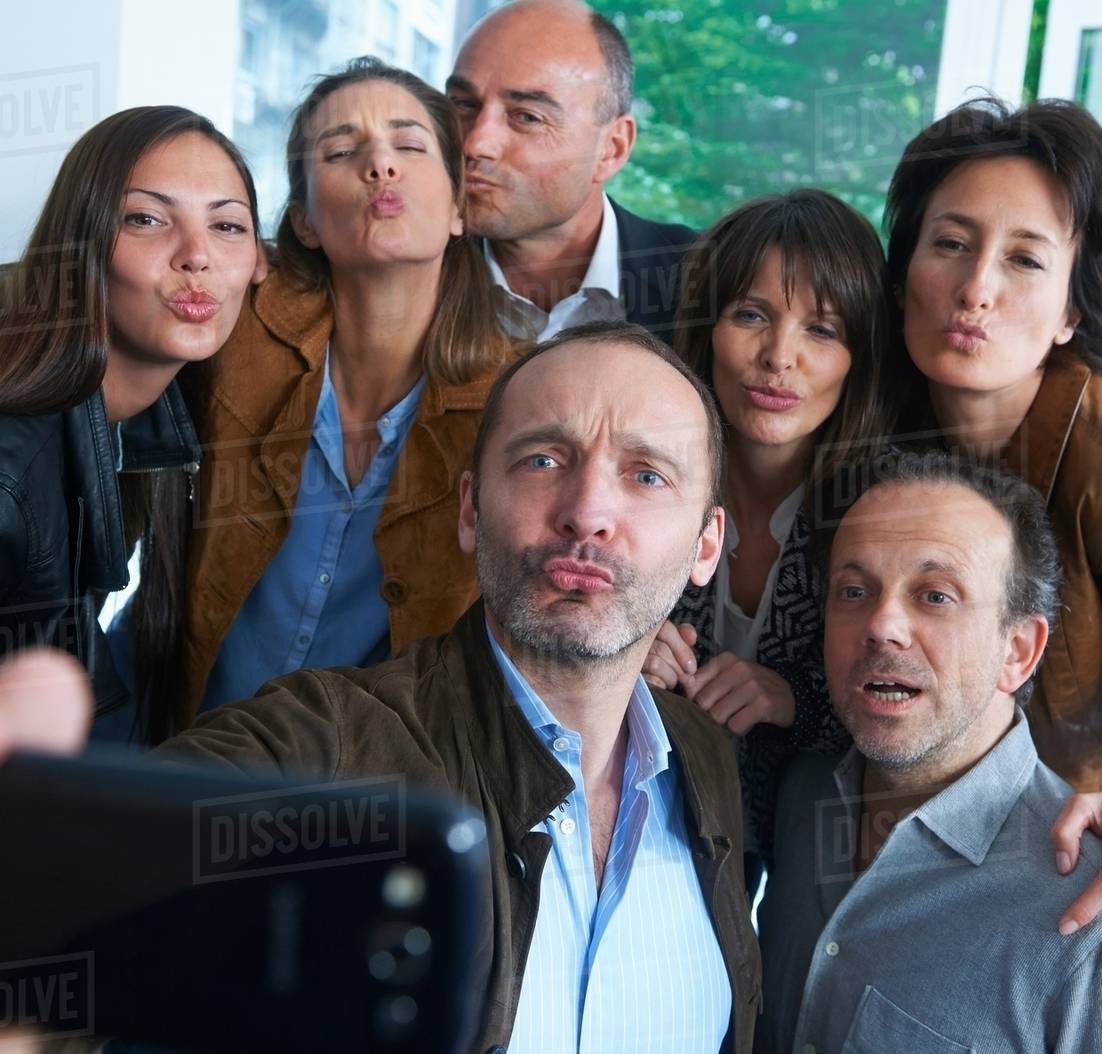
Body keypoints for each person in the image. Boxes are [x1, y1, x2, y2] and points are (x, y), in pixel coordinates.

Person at [0, 322, 760, 1053]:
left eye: (646, 475)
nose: (587, 513)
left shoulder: (705, 762)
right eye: (542, 460)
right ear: (468, 509)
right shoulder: (327, 740)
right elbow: (60, 930)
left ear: (705, 544)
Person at [886, 97, 1102, 979]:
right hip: (923, 844)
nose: (976, 288)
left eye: (1025, 260)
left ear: (1071, 310)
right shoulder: (885, 405)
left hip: (1082, 884)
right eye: (948, 243)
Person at [757, 452, 1102, 1054]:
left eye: (936, 596)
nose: (882, 624)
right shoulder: (801, 790)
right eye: (853, 590)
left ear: (1019, 650)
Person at [176, 59, 511, 726]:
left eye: (409, 145)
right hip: (186, 746)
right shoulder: (229, 332)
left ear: (455, 208)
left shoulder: (516, 397)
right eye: (341, 151)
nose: (380, 165)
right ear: (303, 221)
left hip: (370, 786)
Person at [640, 189, 896, 882]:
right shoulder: (642, 473)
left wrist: (793, 701)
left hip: (809, 847)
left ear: (859, 357)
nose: (779, 357)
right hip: (648, 813)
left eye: (823, 330)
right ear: (707, 327)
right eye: (751, 315)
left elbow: (921, 701)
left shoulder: (888, 506)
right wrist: (623, 648)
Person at [0, 106, 266, 740]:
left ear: (260, 263)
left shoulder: (138, 428)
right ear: (84, 241)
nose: (196, 257)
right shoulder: (13, 461)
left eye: (228, 226)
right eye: (146, 219)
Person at [447, 0, 694, 340]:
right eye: (462, 104)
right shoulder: (404, 270)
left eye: (527, 117)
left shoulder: (707, 281)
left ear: (612, 148)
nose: (475, 143)